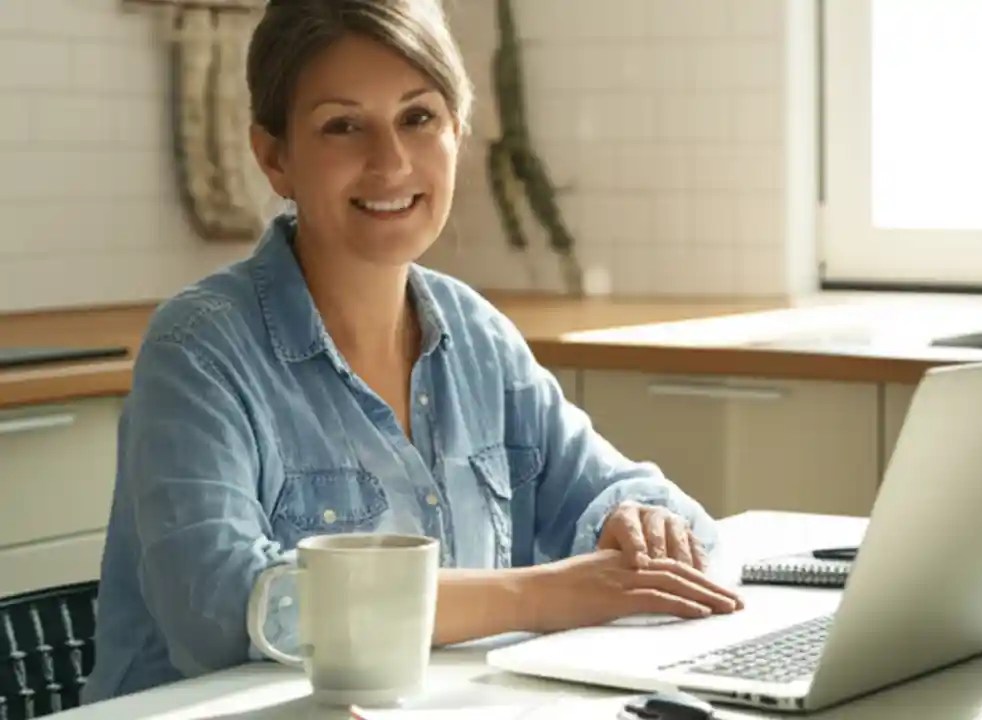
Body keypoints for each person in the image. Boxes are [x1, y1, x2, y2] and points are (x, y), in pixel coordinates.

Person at [83, 0, 741, 702]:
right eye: (343, 126)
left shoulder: (477, 337)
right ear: (275, 157)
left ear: (457, 129)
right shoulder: (199, 350)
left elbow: (658, 510)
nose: (390, 162)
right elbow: (221, 612)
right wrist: (546, 594)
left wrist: (637, 521)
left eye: (418, 118)